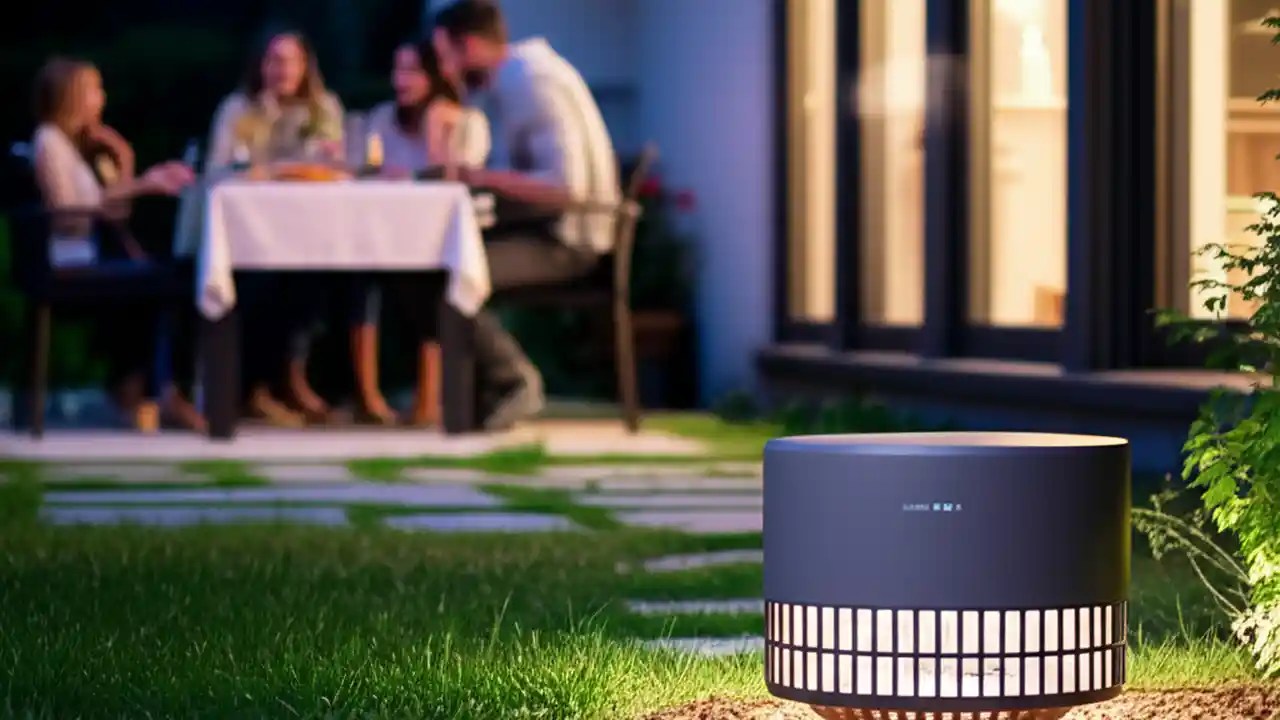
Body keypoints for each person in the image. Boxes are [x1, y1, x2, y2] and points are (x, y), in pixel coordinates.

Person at [432, 0, 621, 431]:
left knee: (451, 274)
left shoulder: (531, 83)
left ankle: (512, 381)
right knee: (450, 263)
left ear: (471, 46)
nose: (445, 71)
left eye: (447, 57)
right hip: (551, 230)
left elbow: (563, 188)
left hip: (571, 240)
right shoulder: (518, 79)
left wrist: (480, 177)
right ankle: (486, 397)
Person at [30, 57, 204, 431]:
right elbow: (69, 216)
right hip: (70, 260)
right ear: (72, 95)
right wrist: (145, 184)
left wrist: (125, 160)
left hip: (88, 253)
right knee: (168, 280)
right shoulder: (49, 142)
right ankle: (157, 391)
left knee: (170, 275)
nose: (102, 97)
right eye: (94, 89)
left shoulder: (73, 146)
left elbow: (116, 212)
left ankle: (141, 387)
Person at [205, 30, 345, 426]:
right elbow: (220, 170)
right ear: (259, 65)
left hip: (308, 232)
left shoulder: (323, 108)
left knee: (317, 281)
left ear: (305, 67)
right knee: (260, 285)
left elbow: (333, 166)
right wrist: (265, 120)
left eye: (290, 61)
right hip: (246, 237)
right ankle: (252, 389)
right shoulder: (238, 109)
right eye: (273, 61)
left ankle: (291, 380)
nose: (281, 70)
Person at [350, 39, 491, 425]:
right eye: (397, 70)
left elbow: (457, 184)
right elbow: (363, 172)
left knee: (430, 282)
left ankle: (429, 399)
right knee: (361, 277)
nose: (401, 80)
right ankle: (369, 398)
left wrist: (434, 132)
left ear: (434, 75)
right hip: (381, 237)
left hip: (440, 243)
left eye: (412, 70)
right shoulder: (381, 120)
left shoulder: (467, 123)